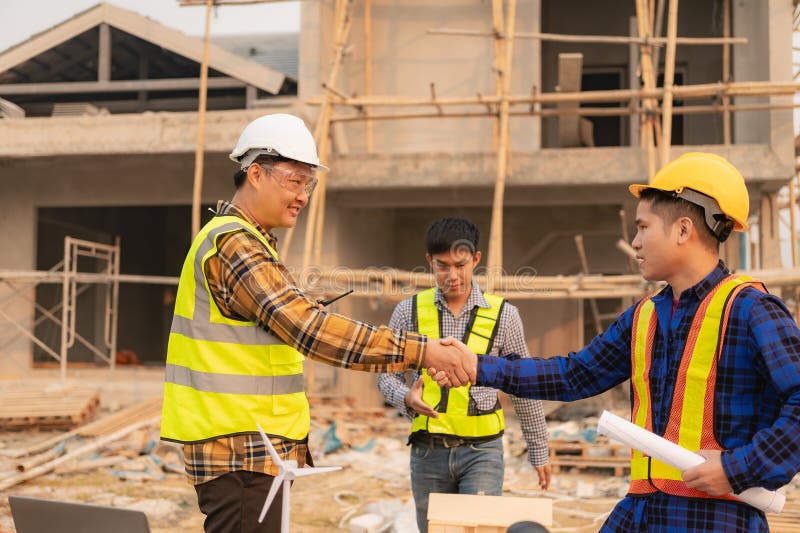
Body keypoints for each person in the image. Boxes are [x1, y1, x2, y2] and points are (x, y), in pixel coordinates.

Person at [430, 153, 800, 531]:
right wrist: (478, 366)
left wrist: (738, 468)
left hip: (716, 517)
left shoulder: (752, 310)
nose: (634, 242)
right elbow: (573, 375)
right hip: (644, 510)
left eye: (643, 227)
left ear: (683, 230)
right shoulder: (645, 317)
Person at [159, 113, 474, 533]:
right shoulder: (234, 244)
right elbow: (309, 330)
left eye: (308, 184)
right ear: (255, 173)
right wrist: (422, 349)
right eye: (294, 181)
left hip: (250, 449)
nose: (303, 196)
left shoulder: (245, 241)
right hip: (238, 450)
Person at [378, 217, 551, 533]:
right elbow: (385, 376)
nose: (453, 275)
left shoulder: (505, 316)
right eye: (443, 266)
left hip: (482, 454)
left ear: (476, 260)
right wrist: (406, 397)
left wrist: (538, 451)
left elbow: (522, 385)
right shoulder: (408, 312)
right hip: (427, 452)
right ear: (429, 261)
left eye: (461, 264)